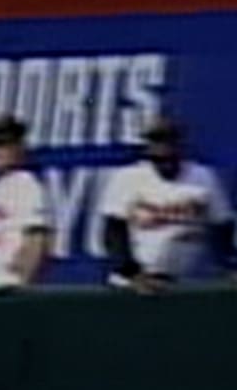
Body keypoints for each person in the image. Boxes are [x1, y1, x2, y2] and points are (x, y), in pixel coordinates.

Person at [101, 117, 237, 291]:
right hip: (139, 280)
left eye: (170, 158)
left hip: (186, 279)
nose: (165, 164)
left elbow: (222, 226)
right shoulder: (129, 178)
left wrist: (228, 266)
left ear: (180, 150)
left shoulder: (203, 177)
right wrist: (131, 272)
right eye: (157, 159)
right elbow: (114, 232)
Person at [0, 115, 52, 290]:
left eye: (3, 145)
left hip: (8, 284)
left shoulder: (25, 184)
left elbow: (36, 238)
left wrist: (21, 281)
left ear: (19, 150)